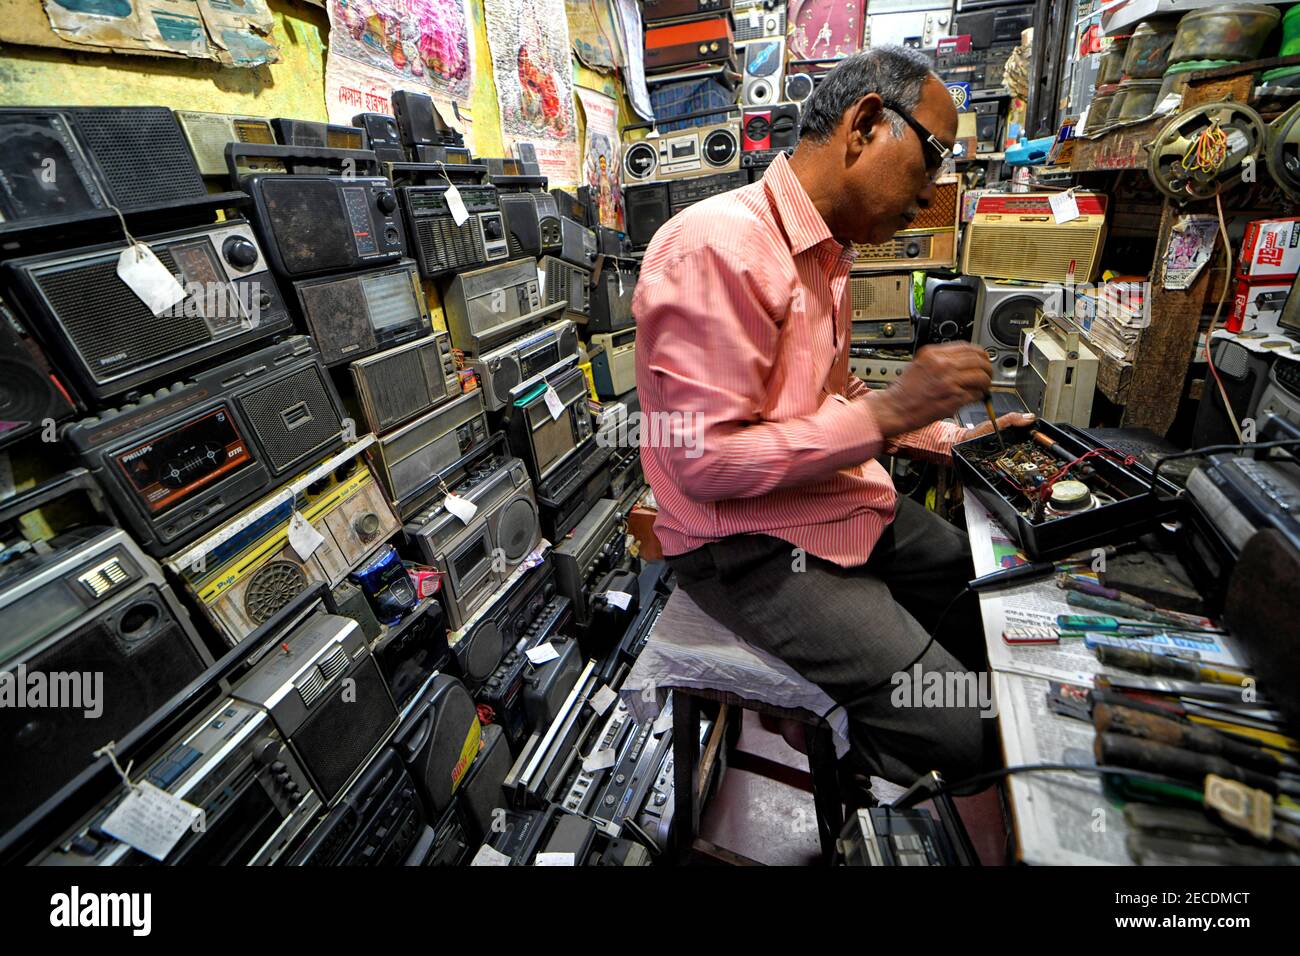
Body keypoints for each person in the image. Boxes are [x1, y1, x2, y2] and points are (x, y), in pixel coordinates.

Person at [632, 46, 1034, 790]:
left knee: (993, 593)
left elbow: (831, 397)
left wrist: (950, 440)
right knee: (967, 731)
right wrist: (893, 409)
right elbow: (705, 463)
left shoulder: (826, 252)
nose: (933, 191)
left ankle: (881, 691)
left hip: (834, 495)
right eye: (933, 157)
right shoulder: (718, 246)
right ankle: (855, 764)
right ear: (866, 125)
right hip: (746, 544)